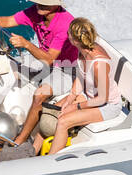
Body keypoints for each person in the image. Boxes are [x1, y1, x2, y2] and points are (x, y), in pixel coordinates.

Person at [0, 0, 79, 146]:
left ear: (55, 5)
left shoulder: (65, 24)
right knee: (7, 69)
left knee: (39, 96)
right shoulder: (36, 12)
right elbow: (9, 21)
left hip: (66, 69)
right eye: (39, 0)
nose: (39, 5)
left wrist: (27, 44)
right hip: (44, 61)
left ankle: (22, 138)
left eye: (45, 3)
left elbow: (50, 59)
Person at [47, 17, 121, 154]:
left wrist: (75, 106)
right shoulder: (83, 51)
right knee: (52, 111)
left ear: (75, 40)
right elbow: (81, 77)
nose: (66, 34)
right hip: (89, 95)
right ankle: (33, 150)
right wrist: (70, 99)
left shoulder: (99, 64)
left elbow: (102, 99)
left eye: (68, 33)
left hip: (108, 105)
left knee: (63, 121)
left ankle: (49, 163)